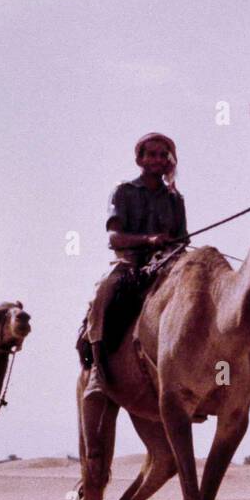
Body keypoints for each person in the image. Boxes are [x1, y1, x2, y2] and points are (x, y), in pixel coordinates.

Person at [79, 131, 187, 387]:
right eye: (152, 154)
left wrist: (173, 246)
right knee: (102, 295)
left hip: (168, 264)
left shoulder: (175, 199)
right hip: (130, 265)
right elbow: (114, 238)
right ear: (140, 159)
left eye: (163, 155)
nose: (158, 160)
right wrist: (148, 241)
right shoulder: (123, 192)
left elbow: (183, 239)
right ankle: (97, 368)